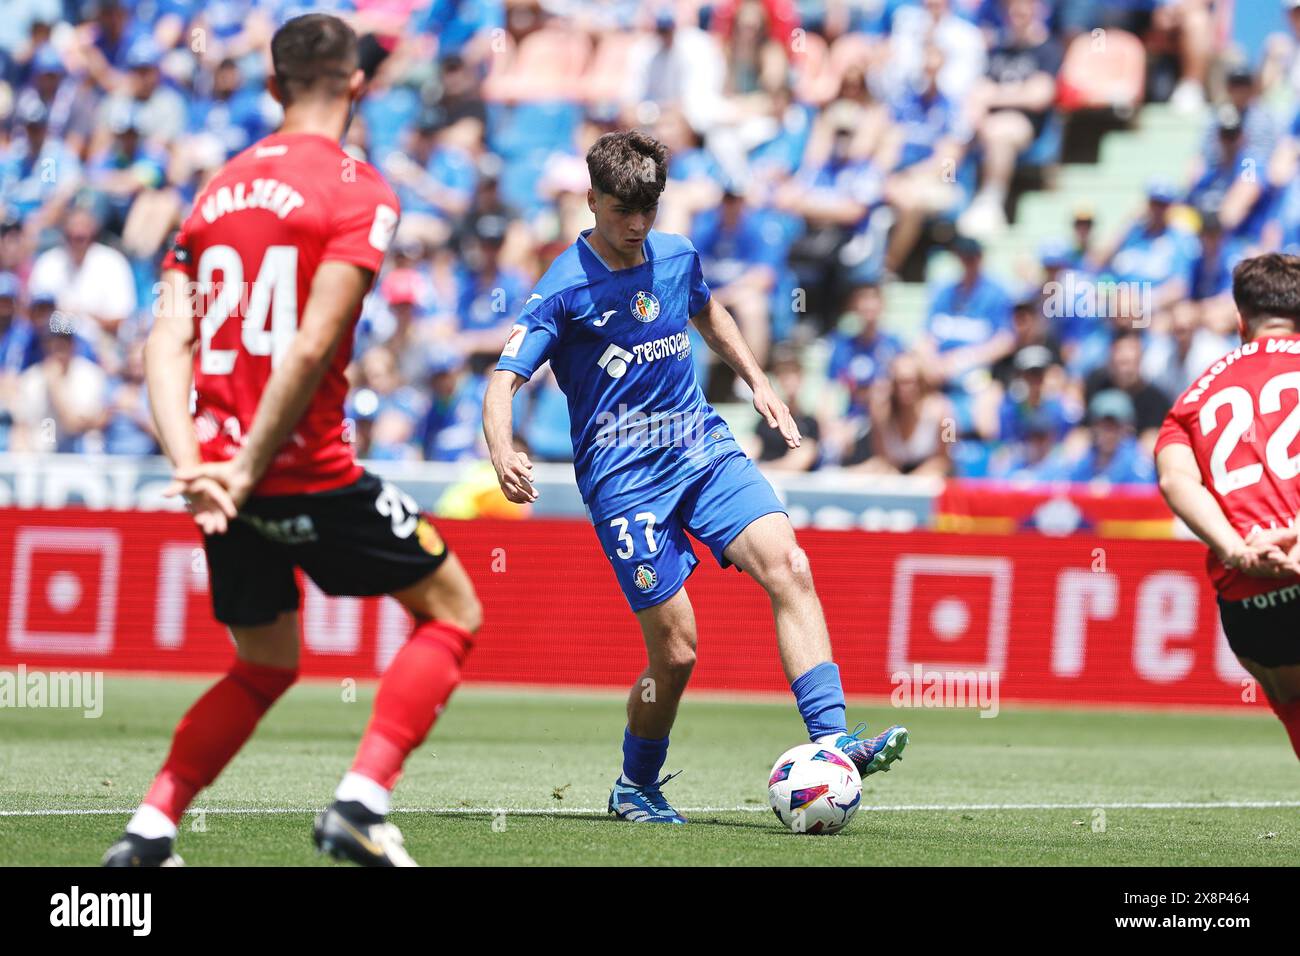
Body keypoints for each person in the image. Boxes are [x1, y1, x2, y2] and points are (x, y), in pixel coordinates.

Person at [102, 14, 482, 868]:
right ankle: (361, 801)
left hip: (223, 483)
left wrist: (197, 467)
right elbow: (313, 342)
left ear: (271, 88)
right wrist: (245, 463)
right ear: (357, 86)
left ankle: (152, 829)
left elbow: (165, 342)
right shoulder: (362, 189)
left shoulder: (214, 189)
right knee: (454, 610)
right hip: (304, 469)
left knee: (266, 664)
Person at [482, 129, 908, 825]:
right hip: (623, 478)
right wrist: (503, 451)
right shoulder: (563, 288)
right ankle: (635, 785)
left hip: (700, 446)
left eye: (649, 208)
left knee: (790, 565)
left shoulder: (676, 255)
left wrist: (758, 381)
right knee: (677, 654)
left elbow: (708, 310)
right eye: (622, 209)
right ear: (591, 200)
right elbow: (503, 382)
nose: (637, 225)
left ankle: (833, 743)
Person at [1155, 253, 1300, 762]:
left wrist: (1239, 551)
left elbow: (1175, 479)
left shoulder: (1196, 394)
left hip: (1250, 598)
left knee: (1289, 696)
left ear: (1241, 322)